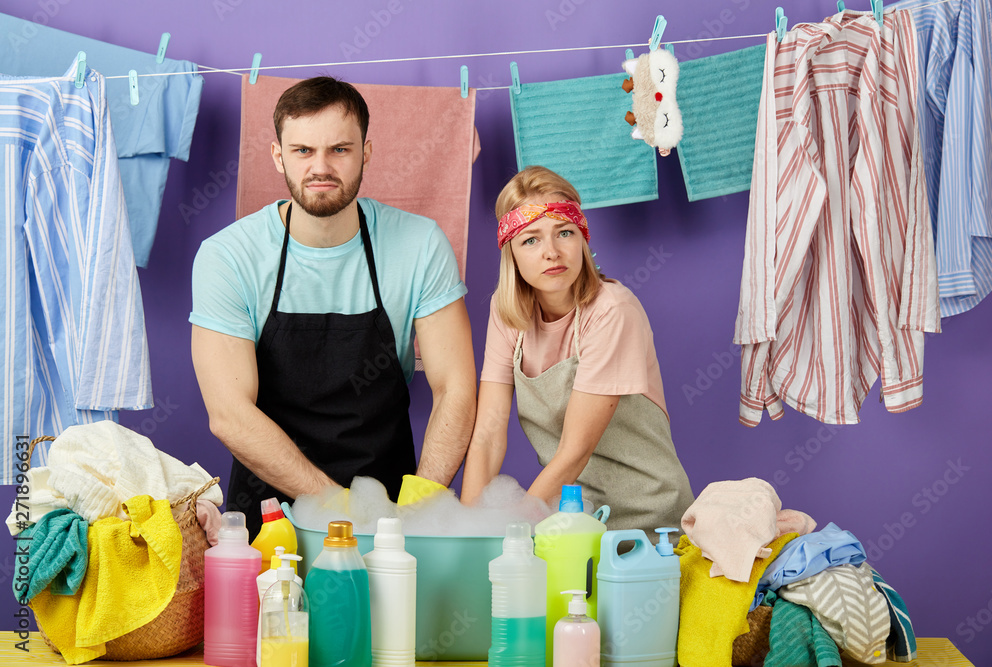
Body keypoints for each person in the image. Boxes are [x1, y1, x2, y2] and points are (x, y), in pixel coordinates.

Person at [190, 77, 476, 537]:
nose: (320, 167)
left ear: (366, 151)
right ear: (278, 155)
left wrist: (419, 507)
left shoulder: (420, 243)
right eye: (303, 150)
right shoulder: (228, 256)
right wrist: (332, 505)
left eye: (339, 150)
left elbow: (455, 390)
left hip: (388, 516)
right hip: (269, 523)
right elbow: (229, 413)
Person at [460, 166, 694, 536]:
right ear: (512, 255)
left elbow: (574, 452)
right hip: (569, 518)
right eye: (531, 240)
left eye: (564, 233)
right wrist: (466, 530)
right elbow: (488, 434)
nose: (551, 252)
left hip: (645, 522)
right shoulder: (506, 314)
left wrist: (512, 529)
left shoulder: (611, 310)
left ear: (582, 239)